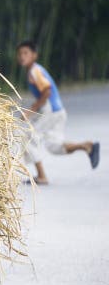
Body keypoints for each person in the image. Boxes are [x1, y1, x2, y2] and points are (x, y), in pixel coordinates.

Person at [16, 40, 100, 184]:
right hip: (57, 111)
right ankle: (87, 146)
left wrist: (30, 111)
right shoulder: (35, 70)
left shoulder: (34, 71)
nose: (22, 56)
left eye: (26, 53)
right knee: (54, 146)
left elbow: (47, 91)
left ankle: (41, 176)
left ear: (34, 55)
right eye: (20, 54)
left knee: (28, 137)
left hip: (51, 111)